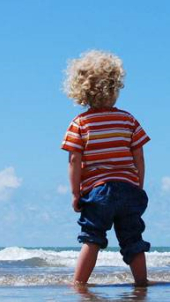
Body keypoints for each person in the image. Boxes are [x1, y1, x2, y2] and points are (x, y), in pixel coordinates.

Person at [60, 50, 152, 286]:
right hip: (129, 189)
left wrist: (75, 193)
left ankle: (79, 284)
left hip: (98, 192)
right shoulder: (128, 120)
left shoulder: (80, 123)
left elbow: (74, 161)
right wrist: (138, 184)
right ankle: (141, 283)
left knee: (91, 239)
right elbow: (139, 156)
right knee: (133, 239)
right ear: (115, 87)